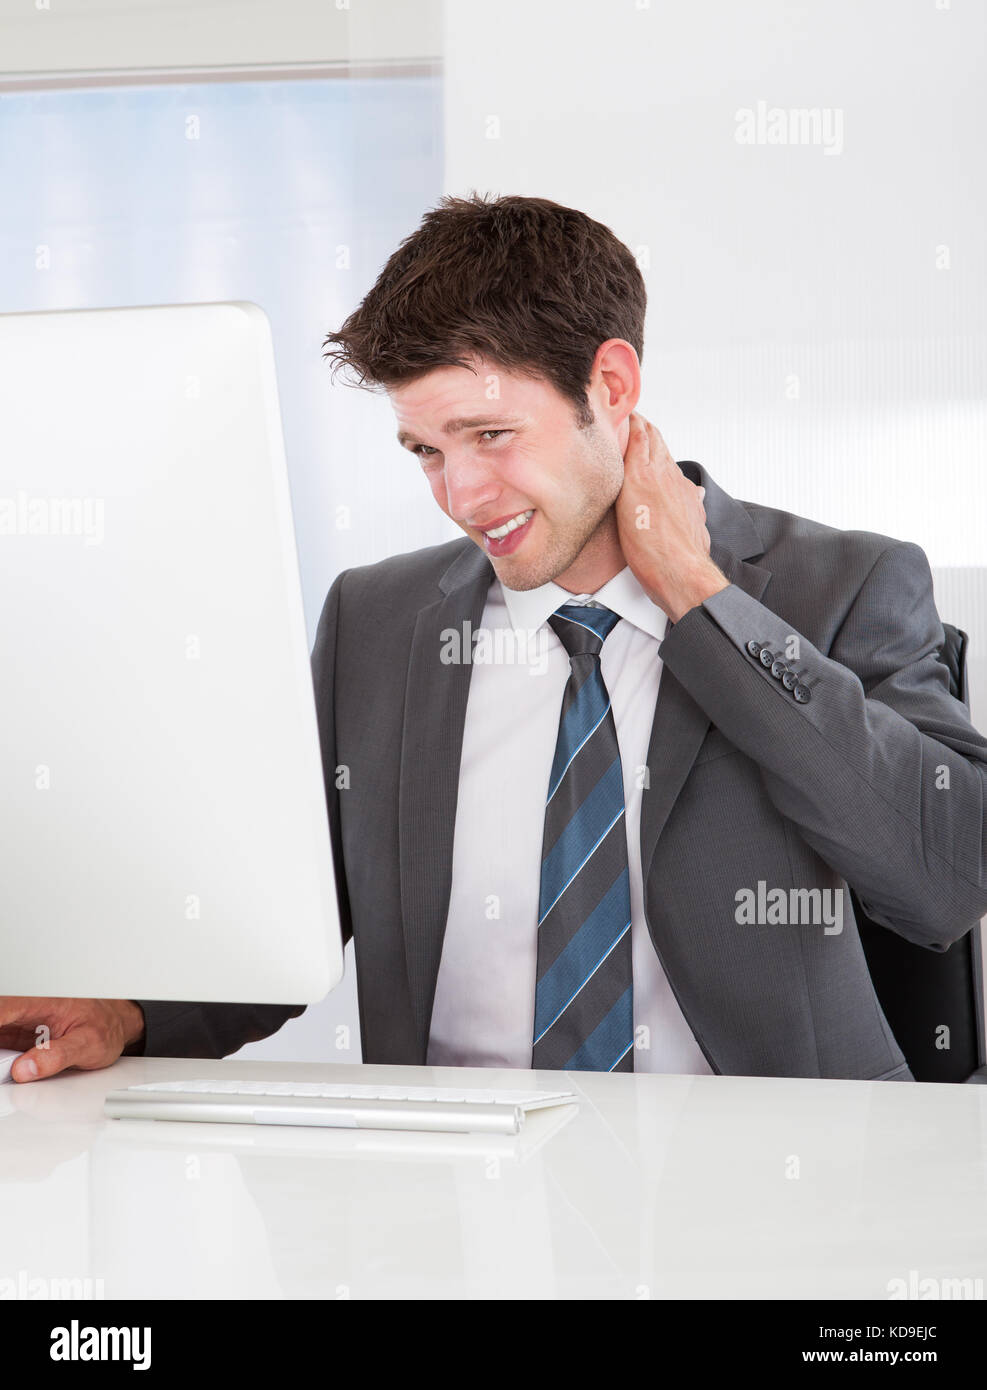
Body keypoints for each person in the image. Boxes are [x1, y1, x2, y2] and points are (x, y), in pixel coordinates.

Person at [5, 192, 987, 1083]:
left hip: (760, 1203)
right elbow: (293, 919)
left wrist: (697, 594)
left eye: (489, 436)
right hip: (453, 1200)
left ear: (610, 385)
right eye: (425, 451)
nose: (460, 497)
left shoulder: (841, 586)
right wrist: (126, 1011)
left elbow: (947, 877)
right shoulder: (378, 623)